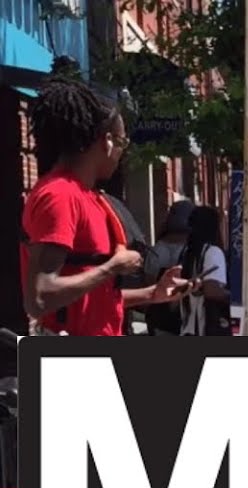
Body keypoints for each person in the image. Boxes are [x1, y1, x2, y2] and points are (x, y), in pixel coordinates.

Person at [20, 73, 190, 336]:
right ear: (107, 142)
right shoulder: (59, 196)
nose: (123, 151)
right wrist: (112, 267)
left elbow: (93, 296)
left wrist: (152, 294)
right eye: (122, 142)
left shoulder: (90, 197)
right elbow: (39, 297)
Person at [143, 200, 195, 335]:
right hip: (185, 318)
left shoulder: (157, 249)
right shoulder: (193, 250)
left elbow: (149, 282)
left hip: (159, 318)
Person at [178, 205, 232, 336]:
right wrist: (233, 297)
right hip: (205, 327)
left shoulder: (187, 252)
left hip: (187, 327)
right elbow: (211, 290)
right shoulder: (213, 252)